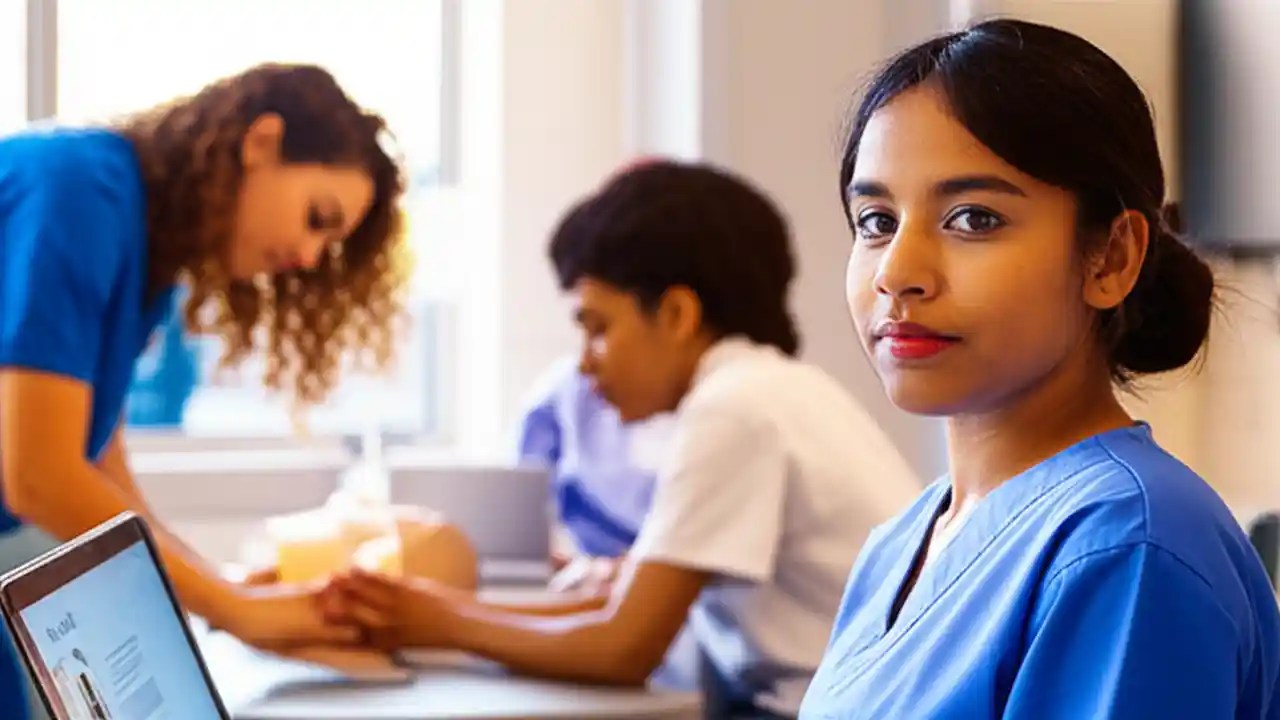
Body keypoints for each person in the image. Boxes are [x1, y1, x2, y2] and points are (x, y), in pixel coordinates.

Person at [799, 19, 1280, 718]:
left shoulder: (1128, 547)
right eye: (875, 221)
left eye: (973, 219)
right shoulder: (903, 541)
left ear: (1110, 258)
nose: (897, 273)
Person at [331, 161, 920, 717]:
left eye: (598, 329)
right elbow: (620, 610)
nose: (585, 366)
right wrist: (432, 611)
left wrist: (440, 621)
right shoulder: (771, 390)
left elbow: (622, 648)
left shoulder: (735, 409)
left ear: (676, 314)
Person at [0, 63, 408, 718]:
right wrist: (238, 612)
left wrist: (224, 589)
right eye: (316, 218)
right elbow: (39, 476)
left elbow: (103, 472)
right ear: (261, 143)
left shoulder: (145, 254)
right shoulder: (78, 191)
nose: (308, 256)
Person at [515, 355, 675, 588]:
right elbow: (519, 500)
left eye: (602, 330)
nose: (584, 364)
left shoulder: (718, 412)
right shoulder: (566, 390)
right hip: (598, 576)